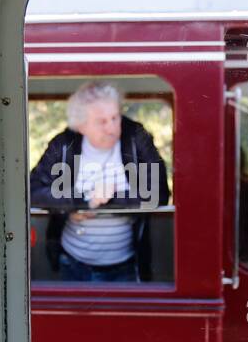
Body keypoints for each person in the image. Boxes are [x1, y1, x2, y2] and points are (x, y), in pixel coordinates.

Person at [29, 81, 170, 283]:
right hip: (73, 264)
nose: (112, 128)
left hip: (126, 265)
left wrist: (109, 197)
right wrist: (82, 201)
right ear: (81, 126)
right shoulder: (62, 145)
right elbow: (32, 191)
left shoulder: (137, 139)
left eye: (115, 118)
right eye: (102, 122)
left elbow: (160, 194)